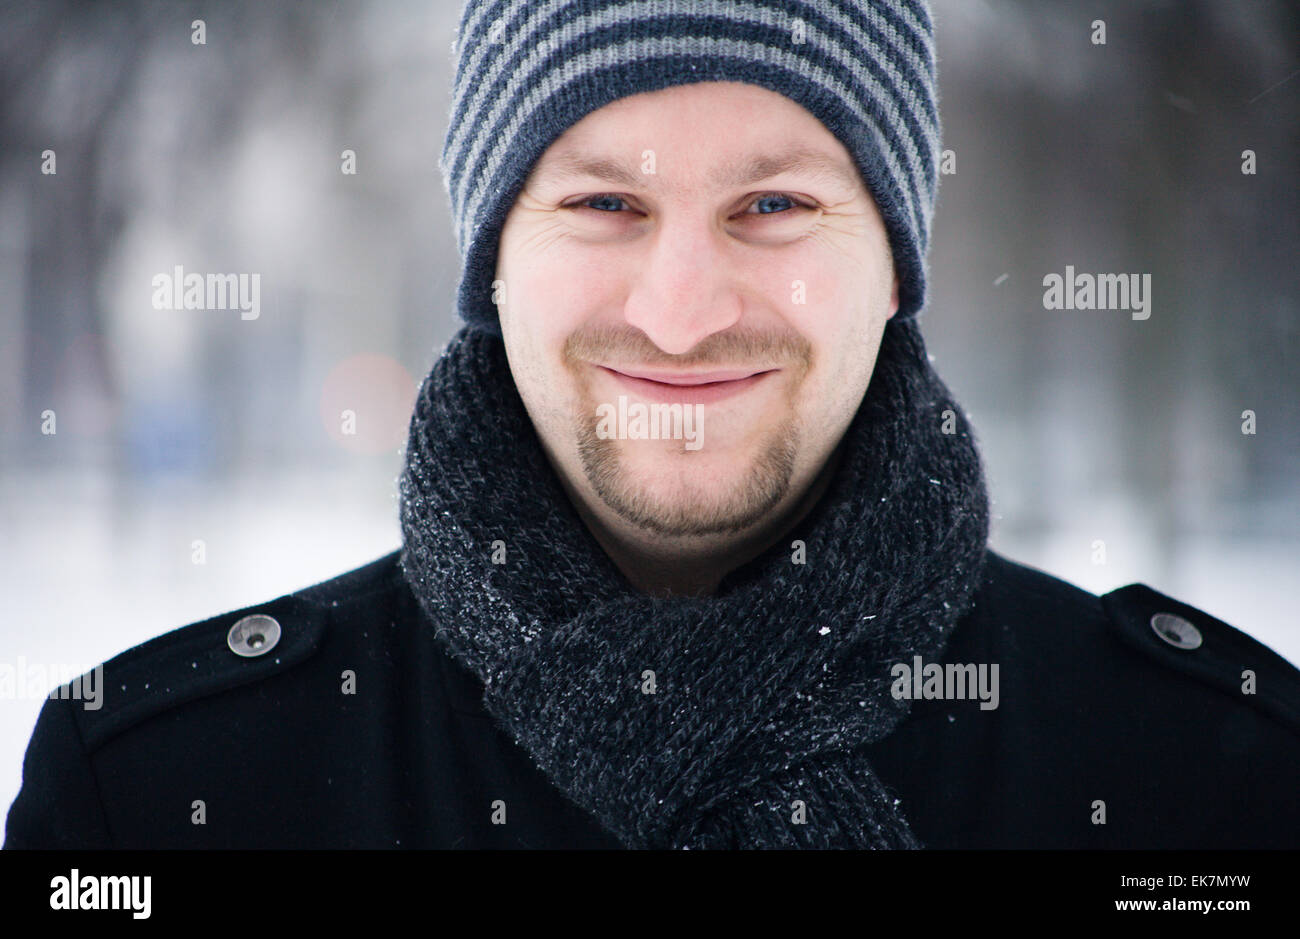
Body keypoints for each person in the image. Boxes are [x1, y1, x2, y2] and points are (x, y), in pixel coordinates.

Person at [6, 0, 1298, 850]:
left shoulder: (1203, 785)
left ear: (898, 263)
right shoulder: (168, 800)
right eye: (605, 207)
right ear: (492, 259)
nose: (681, 316)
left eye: (775, 206)